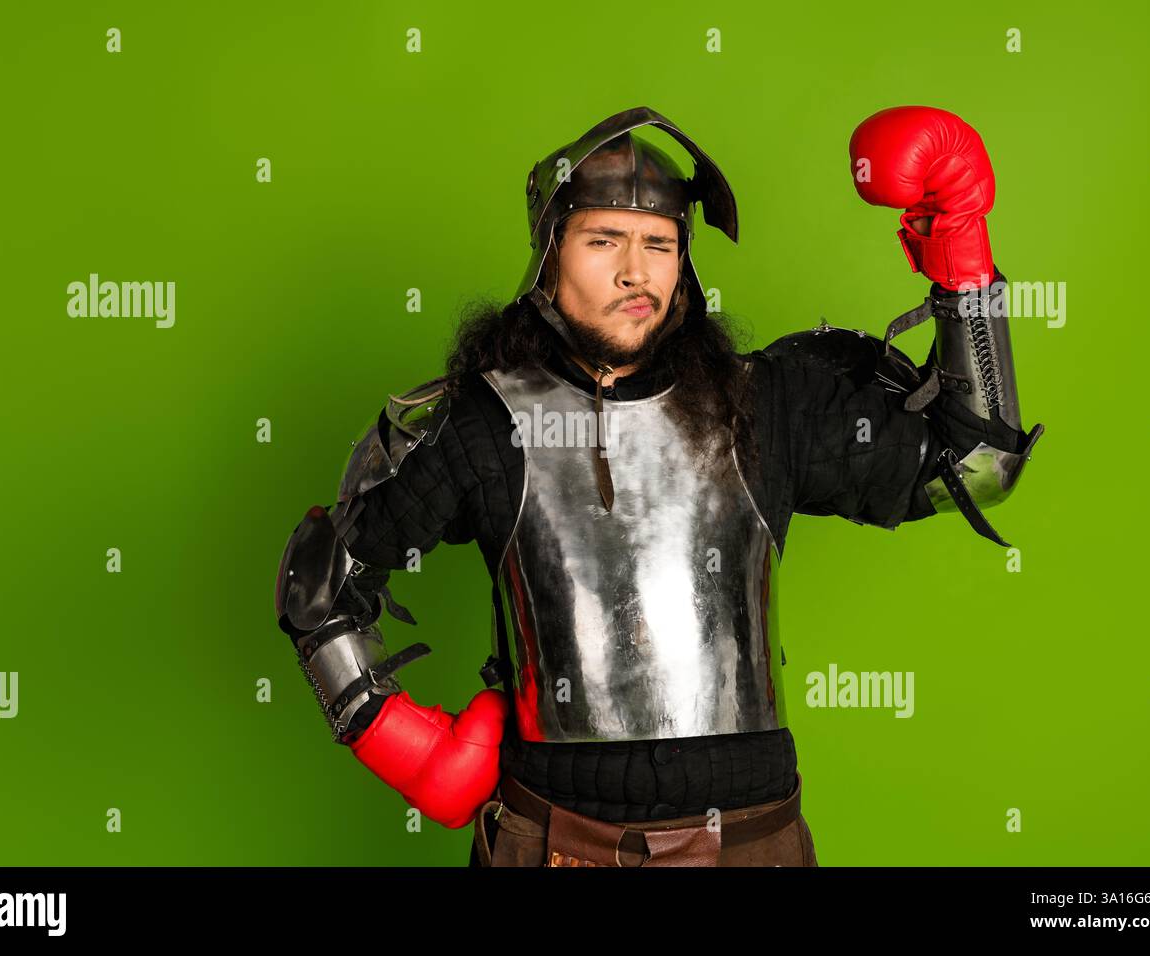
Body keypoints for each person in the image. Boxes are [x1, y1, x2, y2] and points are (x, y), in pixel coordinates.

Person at [273, 105, 1043, 867]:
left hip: (753, 843)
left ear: (685, 261)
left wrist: (961, 247)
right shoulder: (485, 423)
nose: (636, 272)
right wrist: (398, 742)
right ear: (548, 255)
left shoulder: (765, 408)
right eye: (603, 240)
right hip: (551, 843)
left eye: (659, 244)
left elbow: (975, 465)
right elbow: (320, 586)